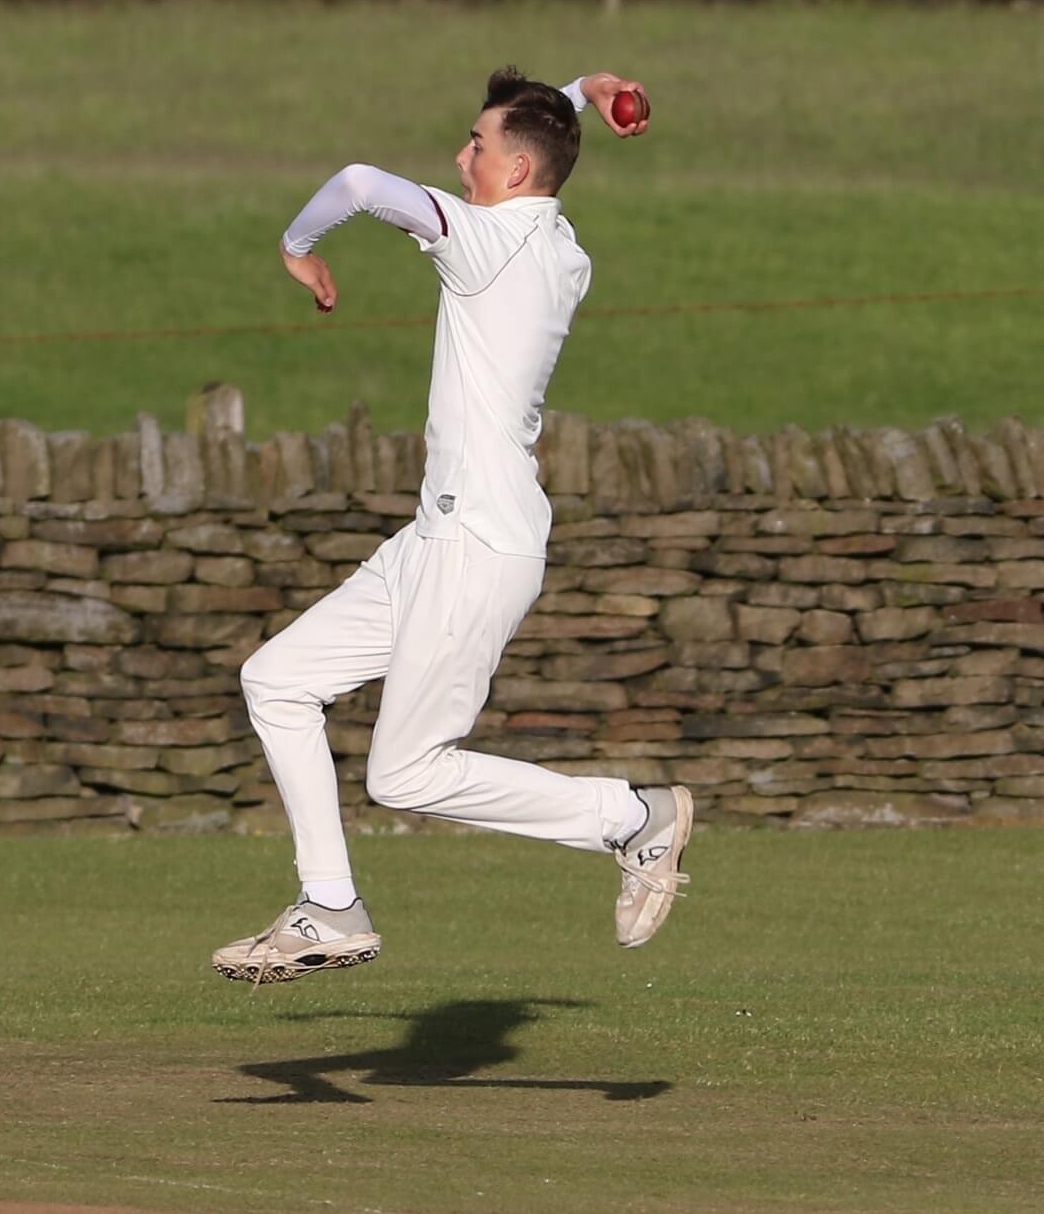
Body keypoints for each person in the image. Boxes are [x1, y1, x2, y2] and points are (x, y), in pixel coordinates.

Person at [212, 67, 691, 986]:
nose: (457, 156)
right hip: (439, 538)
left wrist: (296, 244)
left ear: (512, 170)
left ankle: (635, 819)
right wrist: (583, 90)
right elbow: (540, 134)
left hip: (474, 544)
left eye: (474, 145)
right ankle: (330, 906)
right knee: (275, 680)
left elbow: (356, 183)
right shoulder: (555, 241)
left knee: (407, 774)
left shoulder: (480, 241)